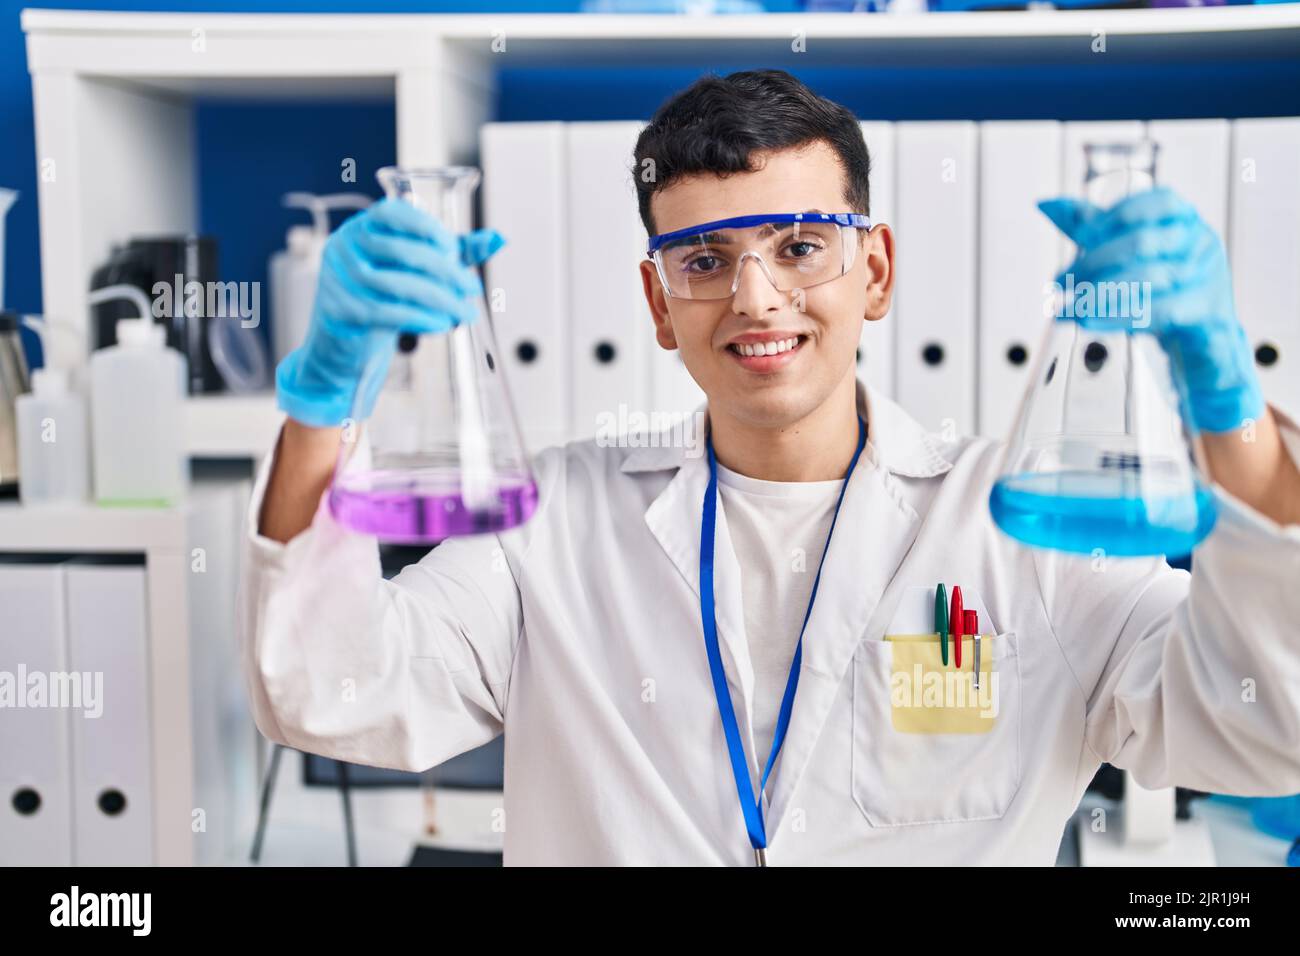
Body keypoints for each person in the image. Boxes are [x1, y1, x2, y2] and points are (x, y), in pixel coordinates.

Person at [240, 69, 1300, 866]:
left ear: (872, 269)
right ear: (658, 305)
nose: (752, 297)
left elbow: (1266, 730)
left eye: (799, 245)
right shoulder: (549, 526)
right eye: (703, 261)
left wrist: (1228, 407)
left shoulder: (1022, 528)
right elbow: (328, 691)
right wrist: (322, 402)